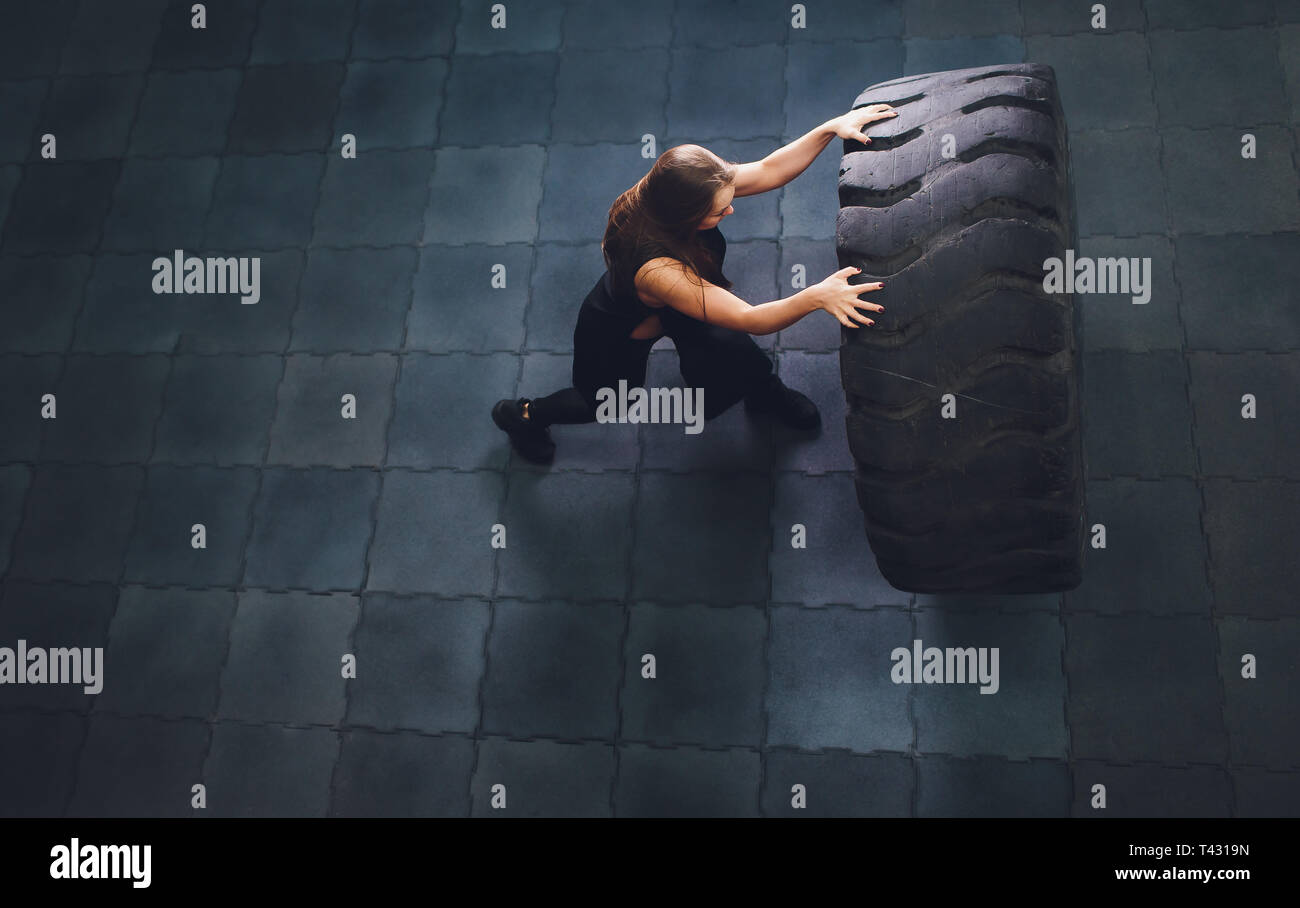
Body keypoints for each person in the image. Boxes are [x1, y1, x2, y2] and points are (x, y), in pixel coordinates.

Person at [492, 104, 899, 464]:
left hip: (677, 303)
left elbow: (770, 169)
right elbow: (750, 317)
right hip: (623, 326)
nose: (732, 208)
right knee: (604, 402)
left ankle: (762, 392)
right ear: (685, 214)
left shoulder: (675, 188)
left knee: (733, 352)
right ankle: (523, 415)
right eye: (720, 212)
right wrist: (816, 296)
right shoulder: (658, 270)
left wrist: (831, 127)